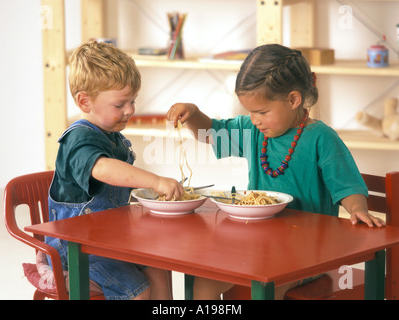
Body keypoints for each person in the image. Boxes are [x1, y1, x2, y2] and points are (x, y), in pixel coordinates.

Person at [167, 44, 385, 299]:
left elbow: (346, 185)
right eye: (249, 112)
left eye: (262, 112)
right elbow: (211, 133)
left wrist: (358, 210)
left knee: (266, 284)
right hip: (258, 247)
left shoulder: (320, 137)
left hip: (309, 254)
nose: (255, 119)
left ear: (294, 100)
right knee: (204, 282)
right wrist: (193, 114)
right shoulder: (253, 130)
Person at [45, 41, 184, 300]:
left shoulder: (112, 136)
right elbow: (104, 169)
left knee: (159, 268)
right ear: (84, 101)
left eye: (132, 101)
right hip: (77, 246)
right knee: (137, 291)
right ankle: (73, 277)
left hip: (110, 238)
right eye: (120, 105)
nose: (130, 110)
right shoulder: (78, 139)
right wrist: (155, 180)